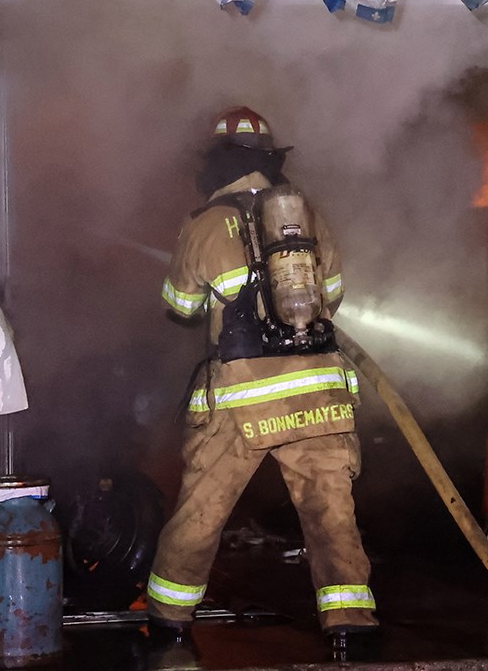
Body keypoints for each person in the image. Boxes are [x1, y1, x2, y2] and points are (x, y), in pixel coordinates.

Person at [146, 106, 378, 656]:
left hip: (240, 397)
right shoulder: (309, 218)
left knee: (202, 512)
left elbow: (178, 307)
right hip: (316, 391)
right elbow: (334, 298)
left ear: (216, 164)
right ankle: (349, 621)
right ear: (270, 161)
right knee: (330, 510)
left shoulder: (204, 223)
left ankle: (168, 621)